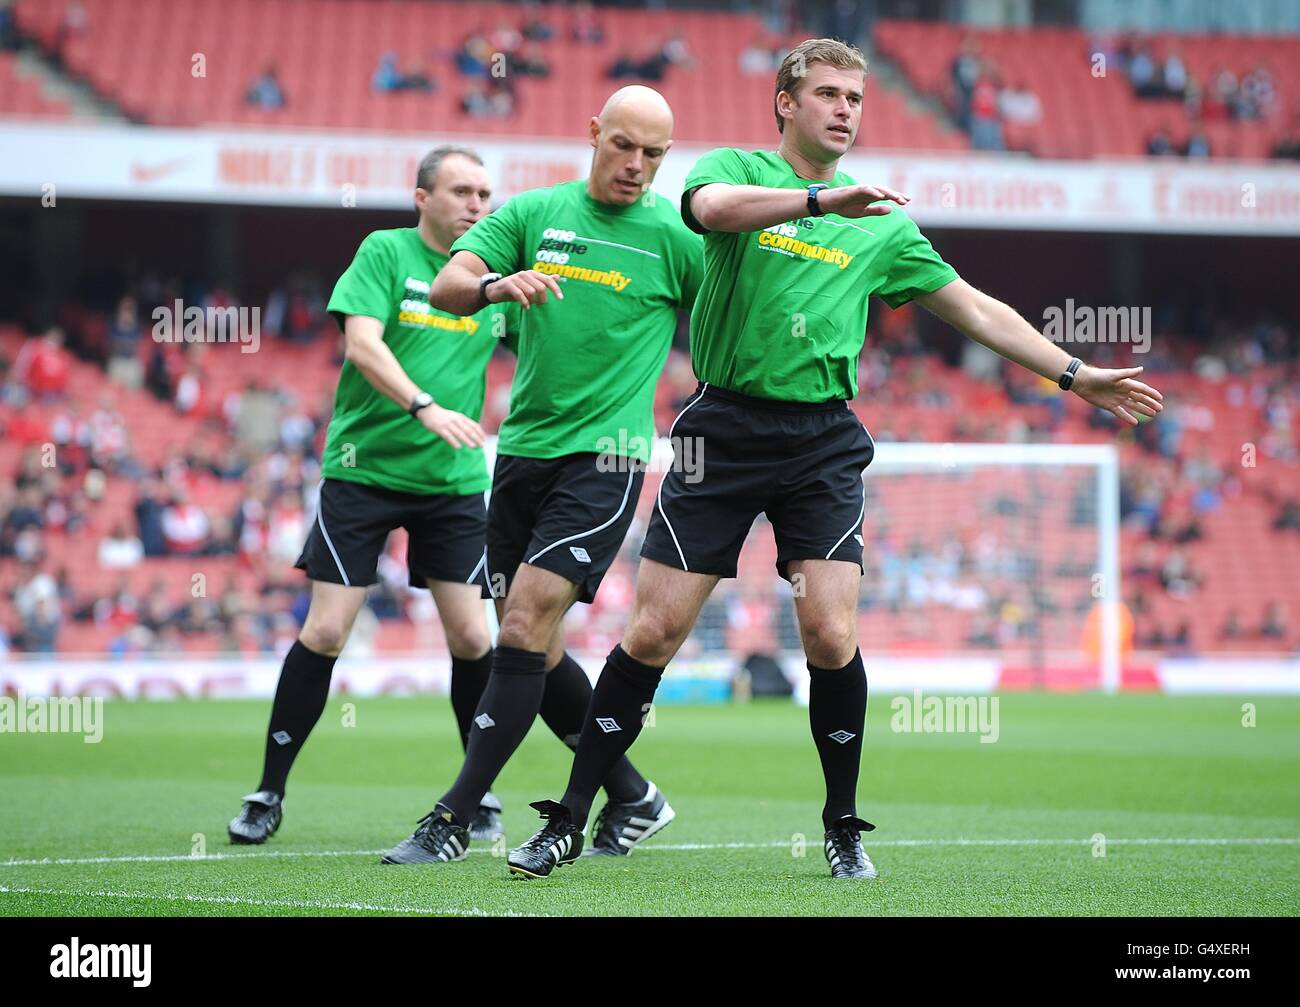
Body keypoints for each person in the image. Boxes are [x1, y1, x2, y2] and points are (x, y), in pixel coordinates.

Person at [511, 37, 1163, 881]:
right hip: (721, 427)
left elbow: (974, 308)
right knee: (655, 628)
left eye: (855, 98)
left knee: (828, 628)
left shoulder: (882, 220)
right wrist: (819, 201)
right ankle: (571, 816)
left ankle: (843, 824)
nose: (845, 109)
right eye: (828, 94)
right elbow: (708, 212)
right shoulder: (737, 168)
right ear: (787, 101)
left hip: (821, 439)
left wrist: (1075, 374)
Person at [378, 85, 703, 866]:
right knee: (536, 644)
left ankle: (453, 817)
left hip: (607, 457)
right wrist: (496, 284)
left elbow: (733, 317)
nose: (636, 165)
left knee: (520, 626)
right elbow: (449, 284)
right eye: (622, 145)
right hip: (521, 453)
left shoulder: (678, 237)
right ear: (593, 132)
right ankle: (635, 795)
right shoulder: (533, 214)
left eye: (653, 154)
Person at [227, 146, 520, 845]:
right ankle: (268, 789)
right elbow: (362, 344)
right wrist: (424, 406)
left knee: (474, 635)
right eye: (460, 190)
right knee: (327, 629)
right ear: (422, 197)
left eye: (485, 192)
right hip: (363, 473)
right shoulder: (384, 252)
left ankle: (474, 794)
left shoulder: (494, 279)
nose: (477, 204)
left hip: (452, 482)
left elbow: (535, 347)